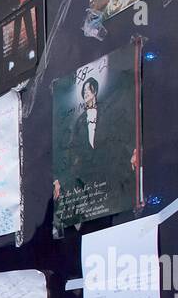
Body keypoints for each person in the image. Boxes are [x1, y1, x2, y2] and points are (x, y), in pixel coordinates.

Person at [53, 73, 140, 216]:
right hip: (94, 186)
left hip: (116, 177)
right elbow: (74, 157)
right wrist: (60, 180)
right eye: (84, 91)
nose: (86, 93)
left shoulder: (110, 111)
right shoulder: (79, 123)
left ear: (95, 91)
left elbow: (127, 132)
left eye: (89, 90)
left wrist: (135, 151)